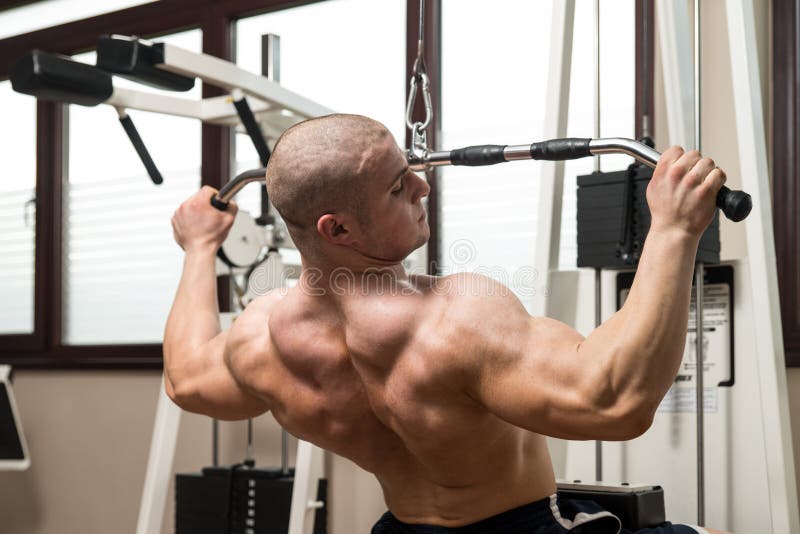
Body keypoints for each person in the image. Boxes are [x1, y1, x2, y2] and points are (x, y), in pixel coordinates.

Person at [164, 114, 732, 534]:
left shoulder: (261, 338)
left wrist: (198, 249)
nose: (422, 186)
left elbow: (185, 378)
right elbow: (614, 400)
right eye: (395, 187)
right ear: (337, 231)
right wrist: (674, 231)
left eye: (409, 171)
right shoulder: (454, 318)